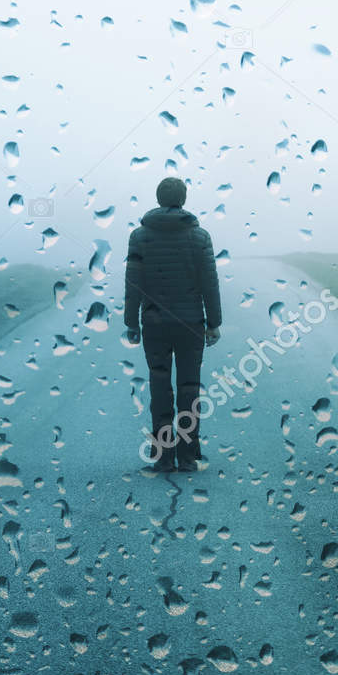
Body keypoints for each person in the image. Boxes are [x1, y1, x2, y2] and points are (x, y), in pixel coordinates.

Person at [124, 177, 222, 472]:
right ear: (183, 199)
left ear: (158, 199)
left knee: (159, 387)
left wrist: (131, 322)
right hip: (191, 323)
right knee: (189, 388)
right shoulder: (200, 237)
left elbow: (133, 282)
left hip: (154, 324)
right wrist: (213, 323)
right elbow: (209, 282)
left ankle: (163, 457)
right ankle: (188, 457)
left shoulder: (139, 237)